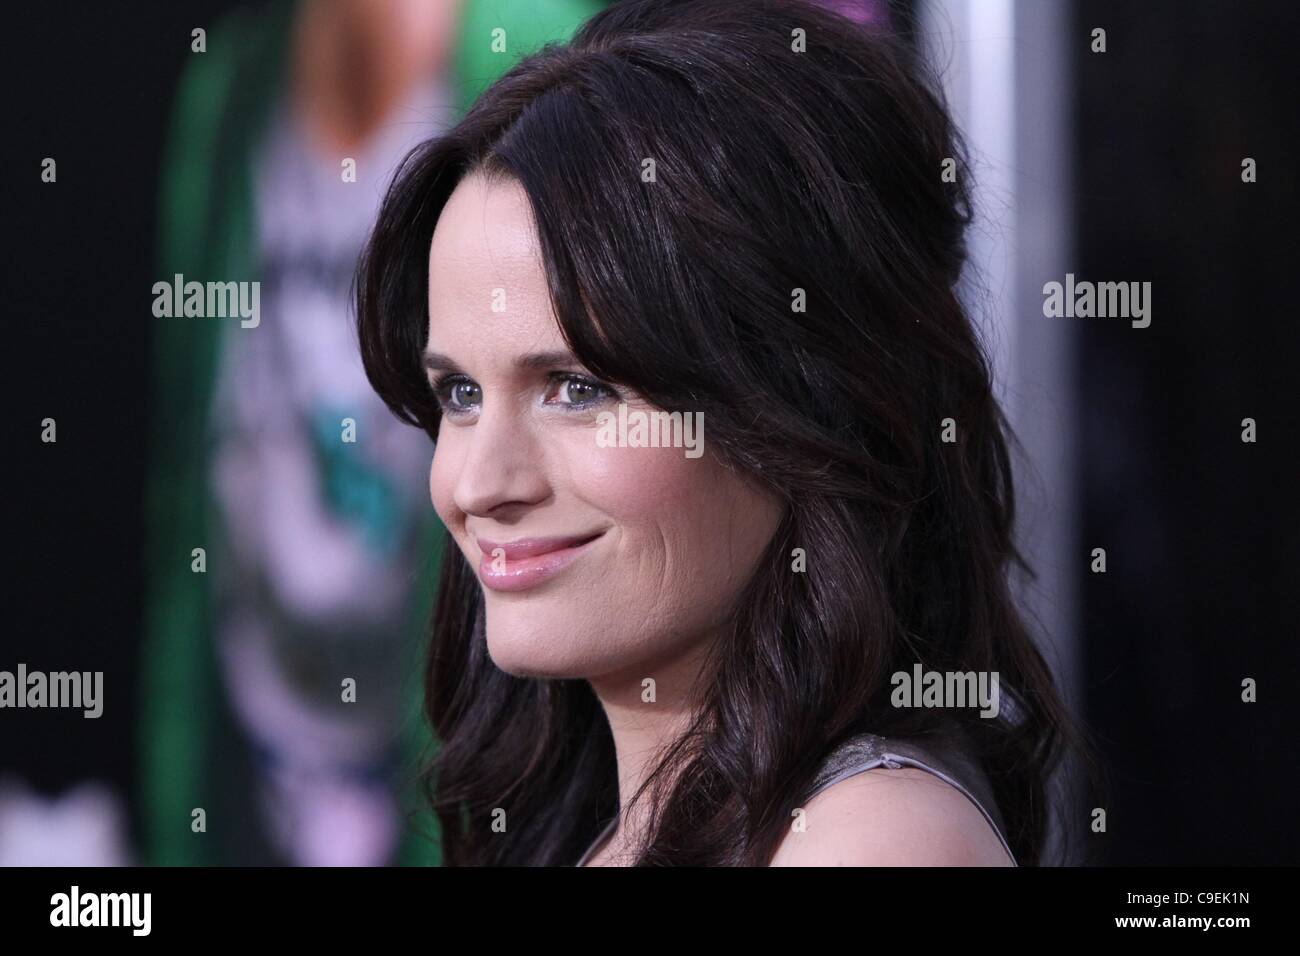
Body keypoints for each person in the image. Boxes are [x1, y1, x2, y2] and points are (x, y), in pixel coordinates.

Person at [355, 0, 1099, 866]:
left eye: (577, 387)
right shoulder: (599, 823)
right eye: (460, 394)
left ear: (804, 406)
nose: (478, 485)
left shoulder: (871, 842)